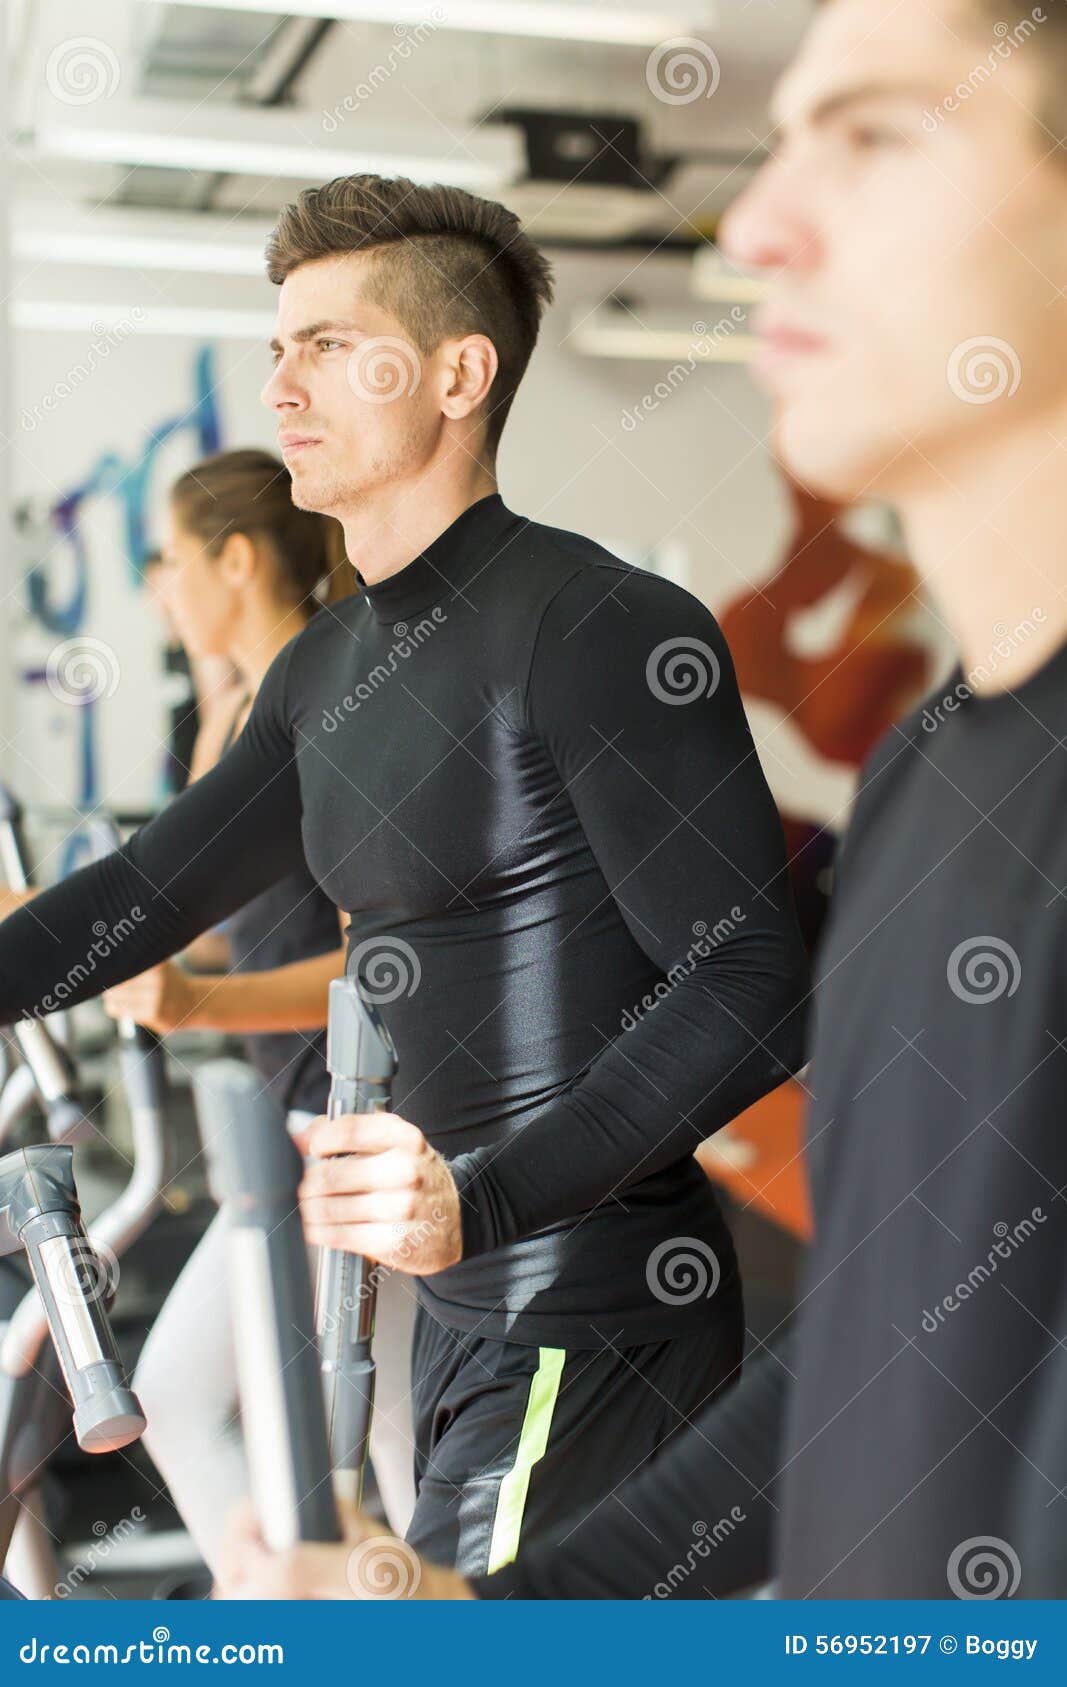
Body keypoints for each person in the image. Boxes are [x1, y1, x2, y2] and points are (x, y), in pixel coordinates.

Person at [217, 0, 1067, 1600]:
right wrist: (484, 1620)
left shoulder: (602, 633)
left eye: (872, 135)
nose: (753, 223)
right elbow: (870, 1362)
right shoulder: (932, 778)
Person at [0, 178, 808, 1576]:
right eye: (278, 348)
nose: (281, 384)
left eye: (326, 344)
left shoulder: (596, 625)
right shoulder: (326, 671)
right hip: (454, 1310)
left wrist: (480, 1200)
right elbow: (144, 891)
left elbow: (751, 981)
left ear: (456, 374)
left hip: (588, 1308)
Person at [103, 449, 418, 1573]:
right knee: (384, 1438)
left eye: (169, 559)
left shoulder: (323, 706)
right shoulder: (232, 711)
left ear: (235, 560)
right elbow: (209, 918)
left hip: (353, 1120)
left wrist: (201, 1002)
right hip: (293, 1117)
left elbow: (379, 960)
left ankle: (314, 1620)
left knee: (203, 1403)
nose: (159, 588)